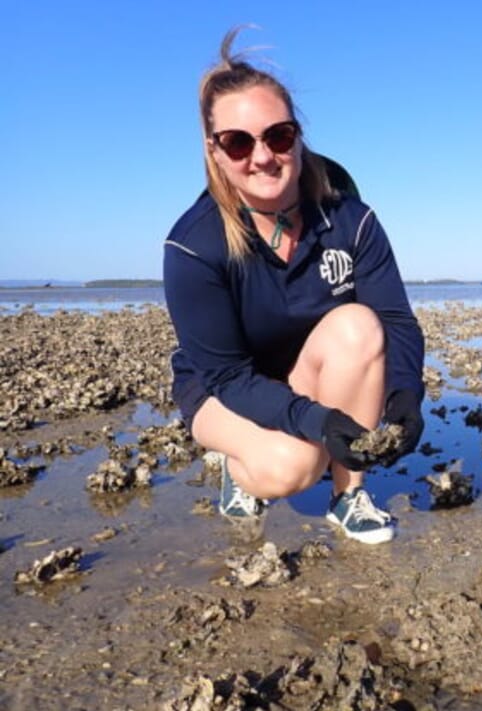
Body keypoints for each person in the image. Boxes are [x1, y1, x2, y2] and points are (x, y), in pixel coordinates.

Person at [163, 28, 424, 544]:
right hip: (223, 389)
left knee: (358, 326)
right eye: (238, 142)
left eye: (277, 135)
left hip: (306, 370)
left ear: (298, 135)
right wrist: (319, 422)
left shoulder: (351, 218)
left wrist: (405, 395)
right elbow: (229, 377)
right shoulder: (193, 246)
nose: (261, 156)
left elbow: (395, 319)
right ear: (215, 152)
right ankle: (236, 468)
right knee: (293, 465)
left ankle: (349, 496)